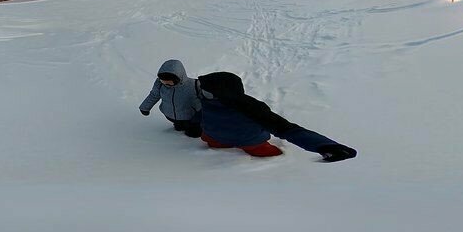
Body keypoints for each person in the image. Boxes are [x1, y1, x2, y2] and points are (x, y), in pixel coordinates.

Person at [196, 71, 356, 162]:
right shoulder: (206, 99)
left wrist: (324, 146)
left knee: (275, 157)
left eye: (207, 91)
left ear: (225, 94)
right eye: (202, 90)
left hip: (237, 140)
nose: (202, 94)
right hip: (224, 140)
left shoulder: (249, 107)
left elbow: (286, 129)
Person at [139, 59, 202, 138]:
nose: (166, 84)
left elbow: (202, 101)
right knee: (179, 127)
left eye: (169, 82)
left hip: (189, 116)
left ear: (178, 77)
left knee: (193, 133)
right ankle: (179, 125)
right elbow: (154, 95)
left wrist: (201, 114)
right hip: (170, 115)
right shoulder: (160, 84)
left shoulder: (193, 85)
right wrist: (145, 107)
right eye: (163, 81)